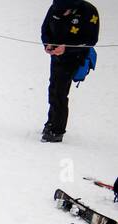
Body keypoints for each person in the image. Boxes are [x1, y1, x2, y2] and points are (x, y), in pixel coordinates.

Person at [41, 0, 100, 142]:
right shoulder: (55, 8)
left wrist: (66, 48)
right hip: (56, 56)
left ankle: (57, 130)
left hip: (75, 56)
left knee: (60, 91)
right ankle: (51, 122)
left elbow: (91, 40)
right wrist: (47, 43)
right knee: (53, 88)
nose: (62, 13)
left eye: (65, 10)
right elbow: (45, 29)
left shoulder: (89, 12)